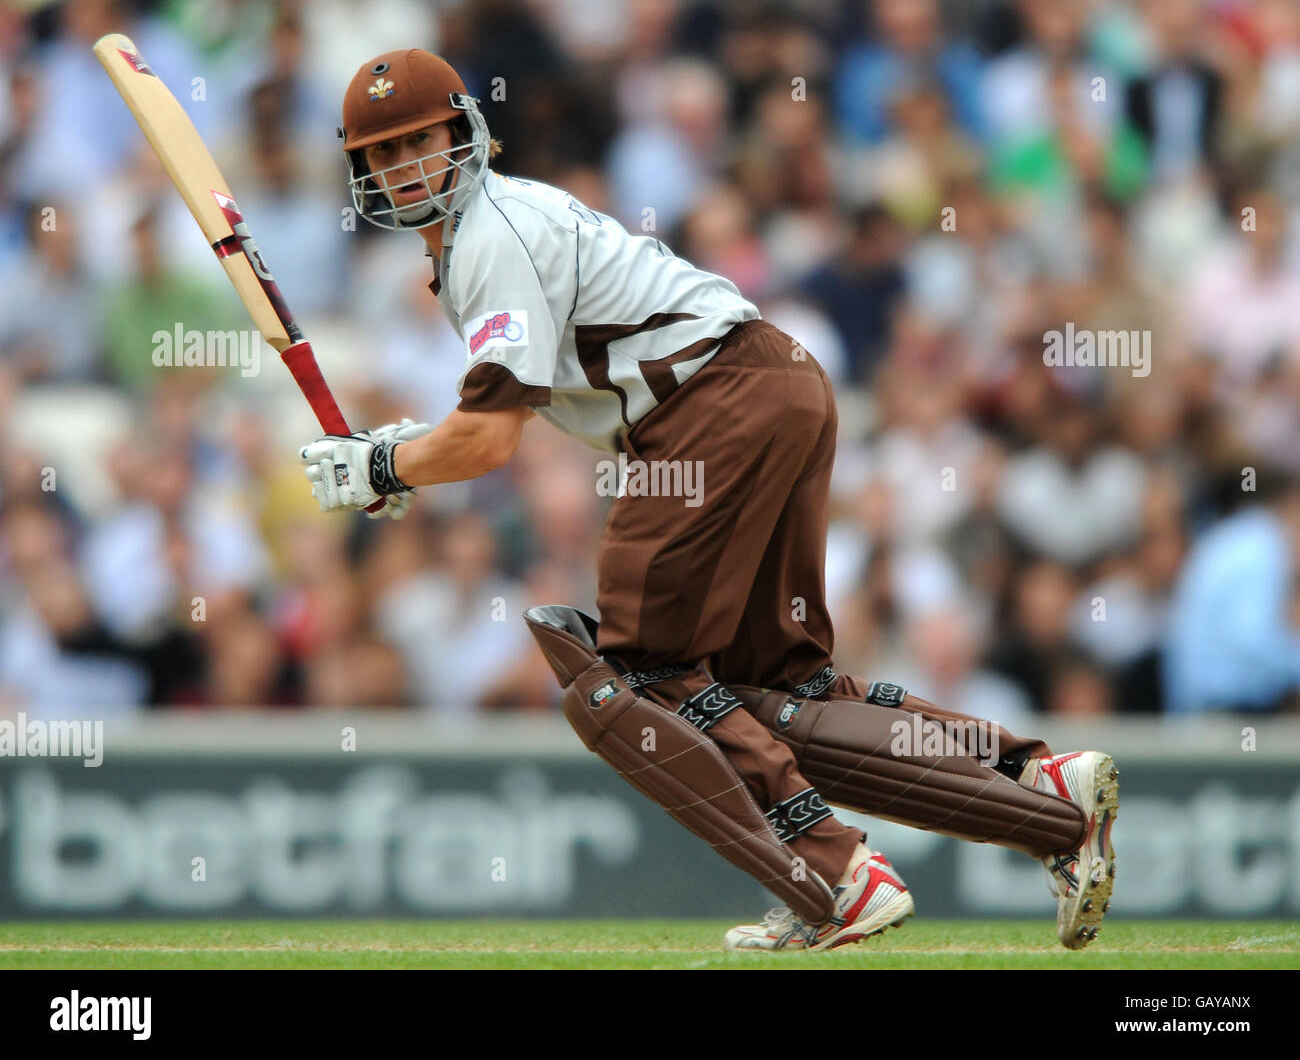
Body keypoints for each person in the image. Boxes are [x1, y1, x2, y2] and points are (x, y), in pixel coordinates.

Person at [299, 49, 1119, 951]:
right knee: (780, 691)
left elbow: (488, 438)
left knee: (640, 672)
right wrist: (391, 455)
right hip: (775, 381)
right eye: (386, 153)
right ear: (364, 172)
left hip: (707, 410)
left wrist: (382, 468)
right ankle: (1040, 788)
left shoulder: (490, 233)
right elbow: (495, 420)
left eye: (422, 140)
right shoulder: (498, 225)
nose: (408, 164)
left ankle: (834, 870)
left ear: (465, 131)